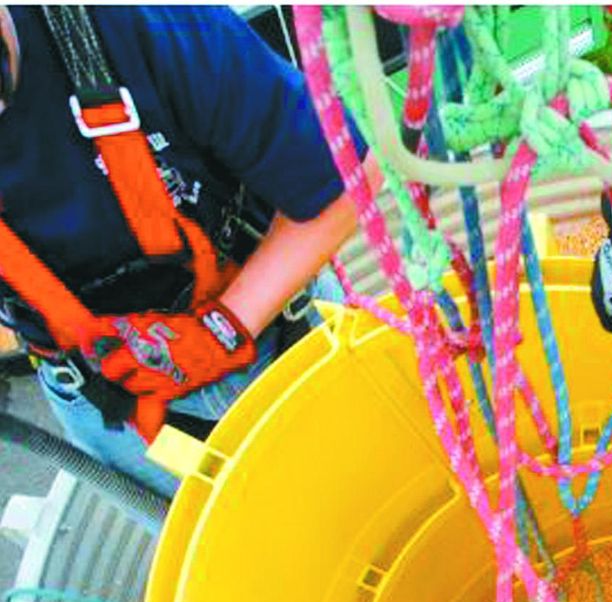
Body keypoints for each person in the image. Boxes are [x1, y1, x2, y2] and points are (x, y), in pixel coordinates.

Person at [0, 4, 374, 502]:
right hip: (111, 409)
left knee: (388, 493)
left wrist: (223, 328)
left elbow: (343, 178)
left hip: (280, 331)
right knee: (243, 548)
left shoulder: (139, 22)